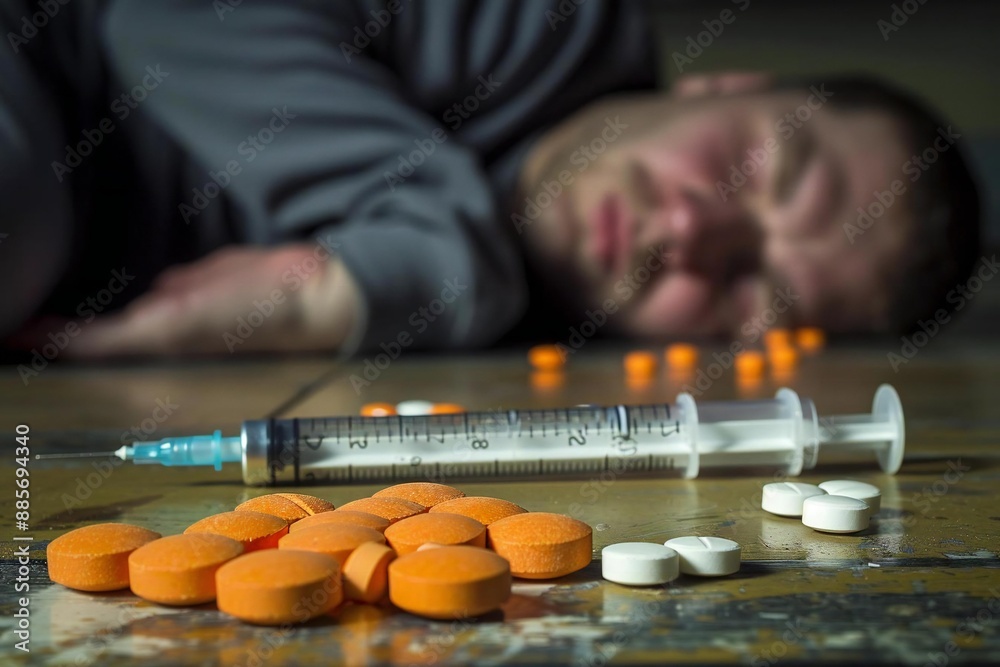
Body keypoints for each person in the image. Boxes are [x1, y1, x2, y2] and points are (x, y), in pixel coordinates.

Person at [1, 0, 980, 359]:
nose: (687, 230)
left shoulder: (559, 355)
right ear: (726, 83)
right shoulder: (544, 26)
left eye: (747, 288)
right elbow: (169, 21)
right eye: (748, 170)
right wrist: (430, 250)